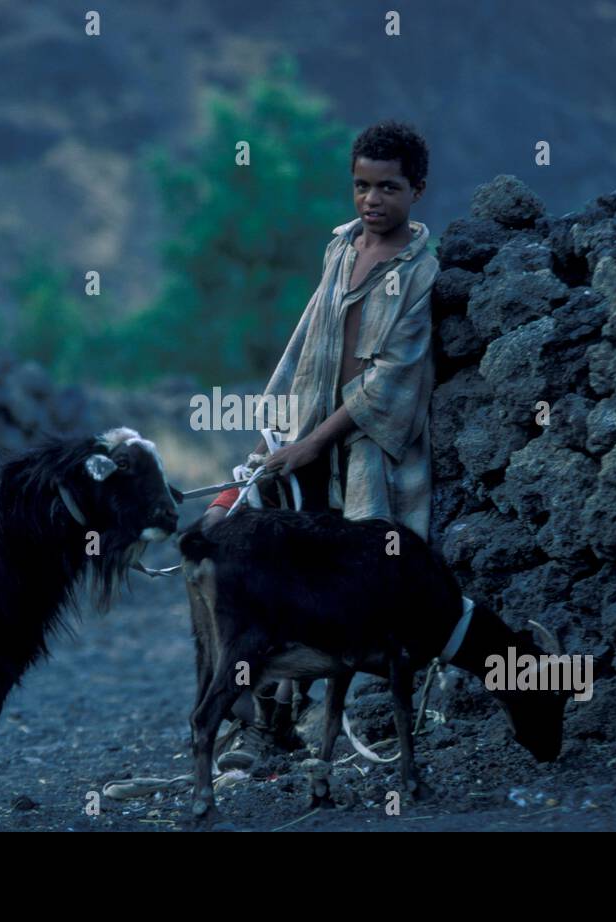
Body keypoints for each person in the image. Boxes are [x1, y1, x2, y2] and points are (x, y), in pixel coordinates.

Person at [200, 120, 440, 770]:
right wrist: (277, 432)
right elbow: (306, 345)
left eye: (388, 187)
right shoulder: (340, 249)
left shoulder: (419, 272)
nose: (372, 200)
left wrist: (313, 446)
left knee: (345, 584)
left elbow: (390, 380)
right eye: (362, 186)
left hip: (364, 454)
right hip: (305, 436)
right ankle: (264, 720)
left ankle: (311, 720)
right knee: (270, 567)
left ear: (417, 189)